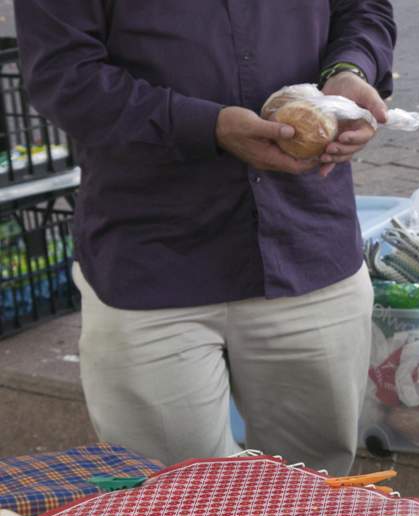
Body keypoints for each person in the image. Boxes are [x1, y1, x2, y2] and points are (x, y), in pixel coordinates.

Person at [15, 0, 396, 474]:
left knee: (313, 493)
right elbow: (64, 75)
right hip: (152, 263)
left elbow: (362, 10)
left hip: (306, 248)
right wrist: (206, 127)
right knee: (173, 502)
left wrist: (350, 70)